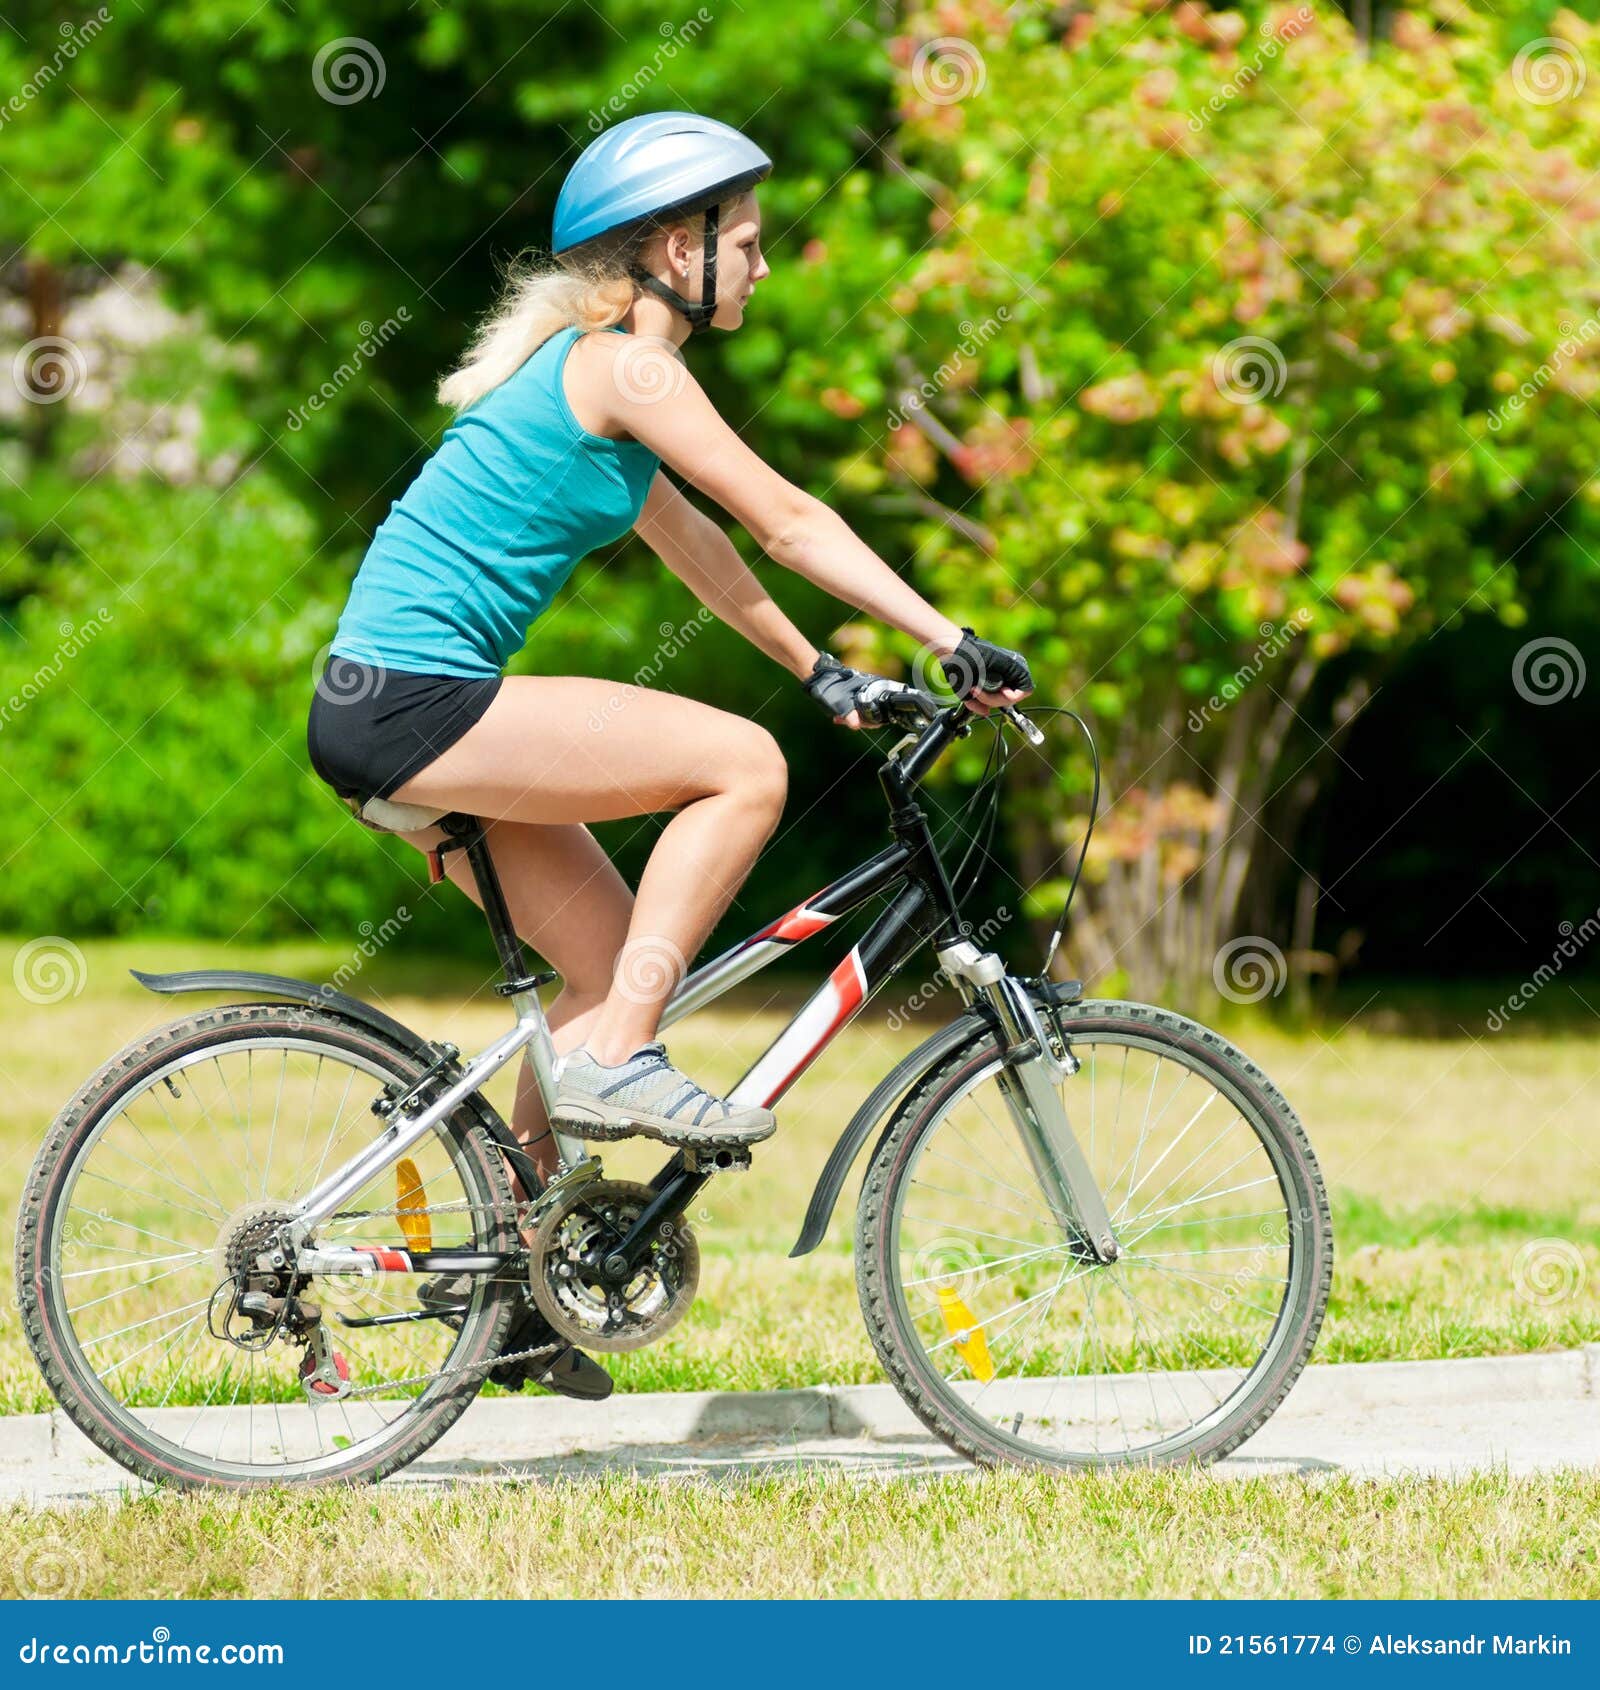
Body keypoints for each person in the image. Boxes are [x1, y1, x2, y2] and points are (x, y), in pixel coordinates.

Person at [306, 111, 1031, 1394]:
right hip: (414, 701)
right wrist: (951, 635)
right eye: (743, 243)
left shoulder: (606, 401)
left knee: (602, 966)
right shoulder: (627, 369)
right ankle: (618, 1065)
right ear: (663, 249)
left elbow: (720, 559)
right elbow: (793, 517)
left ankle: (517, 1293)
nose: (761, 267)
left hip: (387, 709)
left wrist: (825, 672)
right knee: (741, 767)